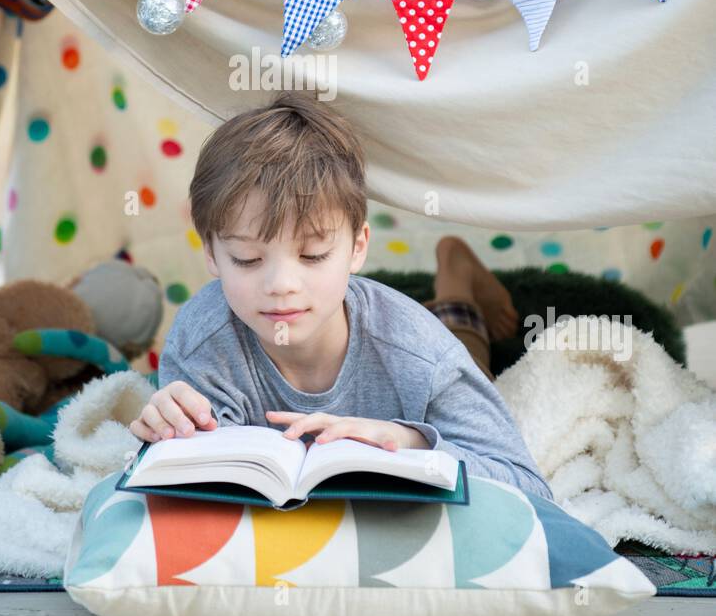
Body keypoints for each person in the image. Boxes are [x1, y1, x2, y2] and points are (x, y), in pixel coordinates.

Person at [129, 90, 553, 501]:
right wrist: (170, 440)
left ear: (357, 247)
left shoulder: (421, 351)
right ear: (211, 254)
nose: (281, 285)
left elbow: (530, 488)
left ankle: (456, 275)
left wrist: (409, 442)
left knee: (467, 341)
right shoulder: (203, 341)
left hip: (425, 342)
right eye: (247, 258)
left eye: (312, 255)